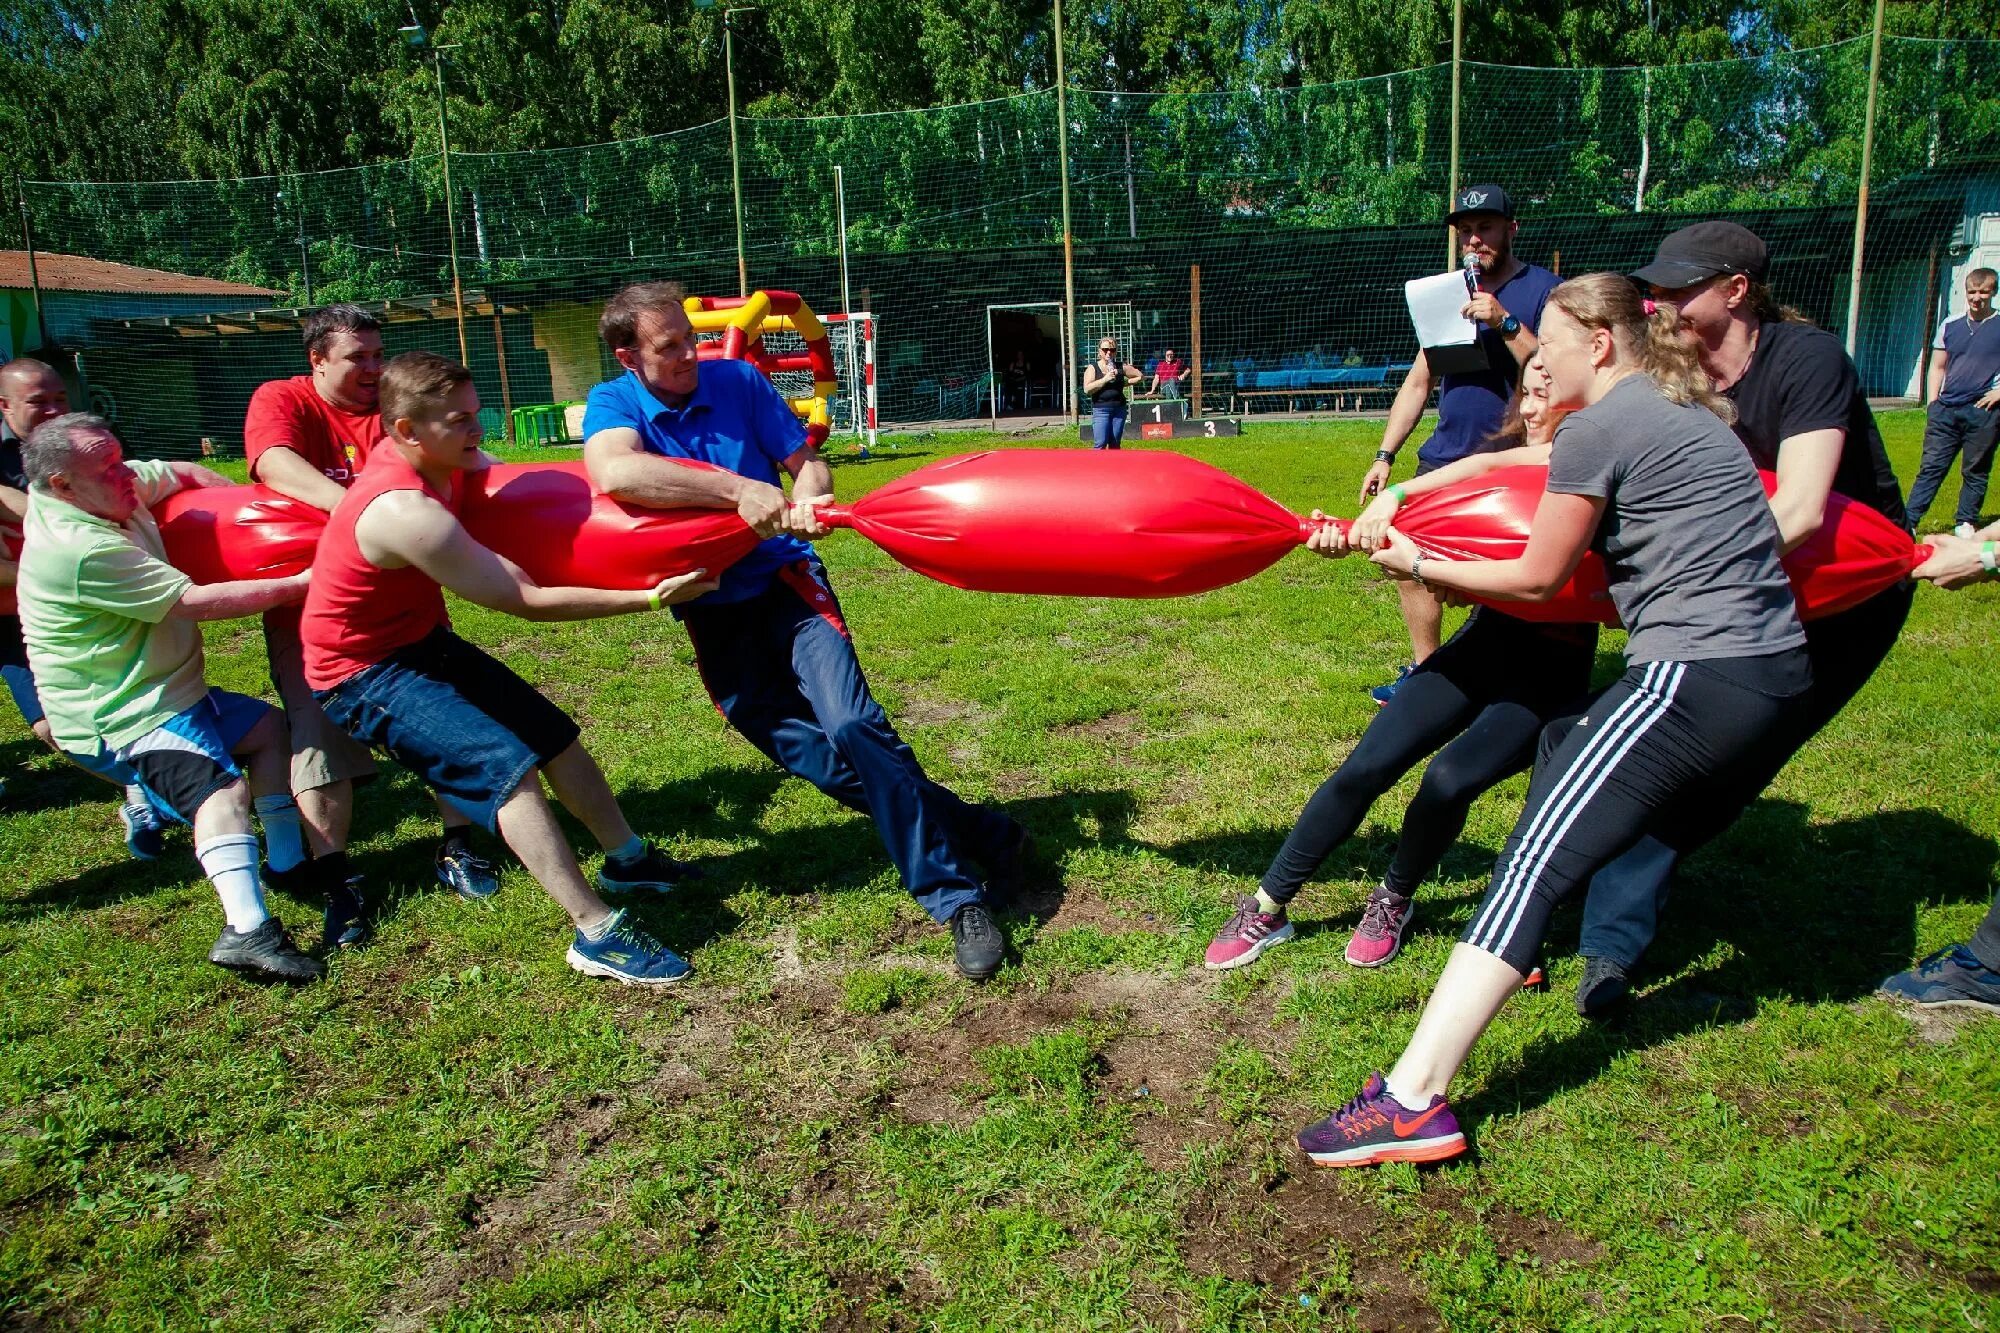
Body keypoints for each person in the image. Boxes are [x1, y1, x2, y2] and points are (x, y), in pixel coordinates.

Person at [1294, 274, 1812, 1169]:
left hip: (1693, 677)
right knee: (1551, 847)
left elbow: (1536, 578)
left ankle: (1413, 1102)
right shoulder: (1680, 413)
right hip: (1764, 677)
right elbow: (1515, 464)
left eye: (1550, 338)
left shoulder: (1606, 426)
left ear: (1599, 345)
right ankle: (1504, 968)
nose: (1535, 352)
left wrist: (1424, 562)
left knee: (1531, 856)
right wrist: (1405, 495)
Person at [580, 281, 1027, 981]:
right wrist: (736, 489)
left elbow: (806, 463)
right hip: (712, 609)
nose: (691, 355)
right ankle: (981, 830)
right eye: (670, 349)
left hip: (788, 585)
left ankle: (955, 897)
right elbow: (616, 472)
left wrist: (811, 495)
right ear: (627, 355)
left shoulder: (738, 381)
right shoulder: (614, 404)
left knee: (854, 728)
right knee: (825, 764)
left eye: (690, 339)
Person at [1570, 220, 1914, 1018]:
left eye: (1679, 288)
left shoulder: (1806, 359)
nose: (1659, 303)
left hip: (1846, 595)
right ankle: (1604, 938)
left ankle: (1605, 935)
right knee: (1667, 748)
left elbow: (1797, 507)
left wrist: (1672, 576)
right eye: (1654, 288)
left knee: (1722, 764)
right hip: (1737, 590)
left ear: (1736, 290)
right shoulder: (1675, 369)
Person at [302, 351, 711, 986]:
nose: (478, 431)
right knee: (506, 768)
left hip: (416, 640)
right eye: (460, 421)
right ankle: (596, 932)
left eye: (476, 414)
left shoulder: (447, 461)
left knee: (555, 738)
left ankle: (629, 860)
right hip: (359, 673)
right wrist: (650, 595)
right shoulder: (404, 511)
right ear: (407, 430)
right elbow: (523, 601)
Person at [1205, 361, 1599, 973]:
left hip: (1551, 669)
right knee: (1367, 764)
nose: (1530, 407)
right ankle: (1268, 902)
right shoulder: (1497, 471)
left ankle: (1394, 898)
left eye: (1546, 391)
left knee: (1449, 778)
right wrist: (1357, 530)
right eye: (1526, 394)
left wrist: (1422, 565)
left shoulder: (1597, 463)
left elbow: (1537, 582)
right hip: (1488, 644)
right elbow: (1450, 560)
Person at [16, 414, 323, 981]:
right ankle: (248, 931)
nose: (125, 473)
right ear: (62, 484)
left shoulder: (106, 487)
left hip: (169, 691)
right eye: (106, 467)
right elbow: (196, 602)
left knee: (268, 732)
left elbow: (179, 472)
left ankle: (286, 863)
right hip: (120, 715)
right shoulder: (78, 547)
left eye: (118, 457)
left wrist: (249, 509)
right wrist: (309, 580)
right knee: (222, 793)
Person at [246, 305, 496, 945]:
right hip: (315, 609)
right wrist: (361, 515)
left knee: (452, 715)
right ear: (318, 360)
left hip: (406, 594)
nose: (373, 368)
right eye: (358, 356)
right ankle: (338, 879)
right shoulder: (283, 399)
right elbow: (274, 462)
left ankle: (457, 845)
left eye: (379, 354)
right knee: (316, 728)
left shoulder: (390, 407)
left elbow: (465, 457)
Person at [1361, 185, 1561, 707]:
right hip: (1446, 454)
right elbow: (1418, 382)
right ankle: (1427, 673)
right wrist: (1385, 456)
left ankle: (1505, 680)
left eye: (1487, 227)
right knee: (1402, 555)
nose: (1475, 239)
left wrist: (1505, 322)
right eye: (1466, 230)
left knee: (1501, 573)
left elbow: (1560, 372)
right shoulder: (1447, 293)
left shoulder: (1546, 291)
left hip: (1518, 458)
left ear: (1511, 229)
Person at [0, 359, 166, 857]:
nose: (53, 410)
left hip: (70, 609)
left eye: (59, 398)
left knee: (84, 713)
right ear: (5, 406)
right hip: (17, 608)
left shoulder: (84, 445)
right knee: (58, 726)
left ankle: (146, 784)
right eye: (38, 401)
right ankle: (158, 782)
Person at [1904, 267, 2000, 537]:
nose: (1977, 298)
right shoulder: (1950, 324)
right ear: (1965, 292)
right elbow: (1937, 366)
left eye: (1983, 292)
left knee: (1976, 469)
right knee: (1931, 467)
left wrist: (1998, 393)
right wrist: (1933, 403)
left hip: (1985, 411)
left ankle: (1965, 522)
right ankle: (1909, 521)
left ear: (1993, 293)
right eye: (1972, 292)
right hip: (1946, 411)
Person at [1083, 337, 1143, 449]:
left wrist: (1123, 379)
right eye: (1105, 349)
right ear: (1099, 351)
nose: (1109, 352)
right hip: (1101, 410)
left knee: (1115, 444)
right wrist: (1105, 379)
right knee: (1100, 443)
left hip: (1119, 410)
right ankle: (1096, 466)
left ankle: (1114, 466)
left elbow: (1140, 376)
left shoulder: (1120, 366)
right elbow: (1087, 389)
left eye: (1113, 350)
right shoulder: (1093, 368)